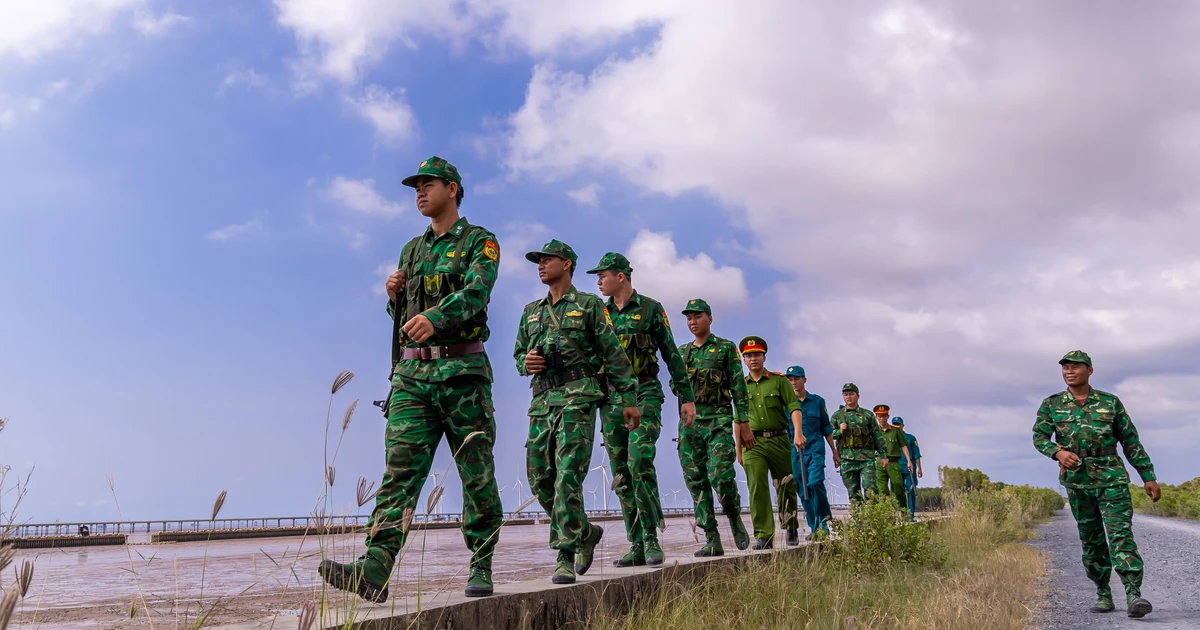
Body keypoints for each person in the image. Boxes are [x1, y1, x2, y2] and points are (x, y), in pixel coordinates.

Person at [320, 156, 503, 602]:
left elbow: (477, 293)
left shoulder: (479, 241)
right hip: (412, 377)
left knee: (476, 473)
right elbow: (404, 320)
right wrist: (394, 298)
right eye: (415, 186)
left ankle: (481, 561)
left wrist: (436, 317)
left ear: (452, 189)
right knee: (399, 473)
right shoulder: (411, 250)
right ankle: (375, 567)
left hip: (462, 375)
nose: (419, 192)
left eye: (428, 184)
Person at [515, 240, 640, 585]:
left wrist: (629, 397)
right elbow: (518, 355)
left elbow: (613, 352)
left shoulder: (588, 305)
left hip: (578, 398)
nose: (540, 265)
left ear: (567, 263)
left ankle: (564, 555)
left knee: (567, 476)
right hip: (542, 401)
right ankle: (585, 532)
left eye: (547, 260)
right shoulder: (531, 311)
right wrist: (526, 363)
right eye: (538, 261)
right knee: (540, 479)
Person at [1032, 350, 1161, 618]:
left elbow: (1130, 441)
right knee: (1092, 540)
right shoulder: (1052, 404)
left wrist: (1147, 476)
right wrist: (1057, 453)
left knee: (1121, 536)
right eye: (1065, 367)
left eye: (1075, 367)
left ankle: (1133, 593)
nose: (1069, 371)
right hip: (1078, 482)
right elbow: (1039, 437)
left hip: (1112, 479)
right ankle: (1103, 592)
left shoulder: (1110, 402)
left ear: (1089, 370)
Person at [587, 253, 696, 567]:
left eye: (603, 275)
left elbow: (671, 353)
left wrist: (686, 397)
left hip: (645, 393)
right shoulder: (599, 313)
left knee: (639, 461)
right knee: (621, 473)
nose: (598, 281)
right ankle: (635, 543)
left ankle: (650, 538)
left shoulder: (651, 309)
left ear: (620, 276)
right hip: (610, 399)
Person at [677, 299, 751, 557]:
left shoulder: (725, 348)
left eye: (697, 316)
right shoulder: (682, 352)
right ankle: (711, 538)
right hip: (690, 425)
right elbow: (676, 386)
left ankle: (734, 516)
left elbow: (738, 388)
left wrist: (744, 424)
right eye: (689, 318)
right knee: (695, 481)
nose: (692, 322)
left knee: (721, 474)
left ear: (709, 318)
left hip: (718, 420)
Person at [737, 336, 804, 549]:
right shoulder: (740, 385)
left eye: (757, 354)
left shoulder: (779, 381)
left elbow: (794, 407)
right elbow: (738, 419)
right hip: (752, 443)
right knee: (757, 487)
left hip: (778, 439)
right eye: (748, 356)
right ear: (744, 360)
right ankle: (763, 535)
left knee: (785, 484)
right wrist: (738, 450)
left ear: (764, 357)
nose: (753, 359)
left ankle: (790, 525)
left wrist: (798, 433)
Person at [783, 366, 839, 540]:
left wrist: (834, 452)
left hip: (815, 449)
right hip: (795, 451)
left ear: (804, 380)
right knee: (803, 490)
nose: (793, 382)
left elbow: (826, 428)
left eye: (797, 378)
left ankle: (824, 522)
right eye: (790, 380)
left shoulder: (817, 401)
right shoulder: (785, 404)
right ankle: (814, 528)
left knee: (815, 483)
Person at [830, 384, 885, 504]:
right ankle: (858, 515)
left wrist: (883, 455)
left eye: (851, 394)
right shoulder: (837, 416)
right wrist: (839, 431)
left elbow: (877, 435)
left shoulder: (867, 415)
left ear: (858, 396)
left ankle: (873, 514)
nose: (848, 397)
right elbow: (830, 434)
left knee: (871, 489)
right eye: (845, 394)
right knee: (853, 492)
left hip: (866, 458)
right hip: (847, 458)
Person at [873, 405, 912, 510]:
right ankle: (887, 513)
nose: (882, 419)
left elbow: (904, 446)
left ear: (888, 416)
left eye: (884, 416)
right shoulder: (874, 431)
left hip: (893, 462)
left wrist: (909, 461)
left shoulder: (895, 431)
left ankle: (903, 511)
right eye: (879, 416)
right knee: (882, 490)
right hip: (879, 463)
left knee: (897, 487)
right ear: (876, 417)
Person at [892, 417, 922, 520]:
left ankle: (910, 516)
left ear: (902, 425)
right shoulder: (891, 438)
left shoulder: (910, 438)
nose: (897, 426)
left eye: (898, 424)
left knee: (910, 490)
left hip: (910, 468)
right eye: (895, 424)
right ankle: (902, 513)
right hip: (896, 468)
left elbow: (917, 454)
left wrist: (919, 468)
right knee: (898, 492)